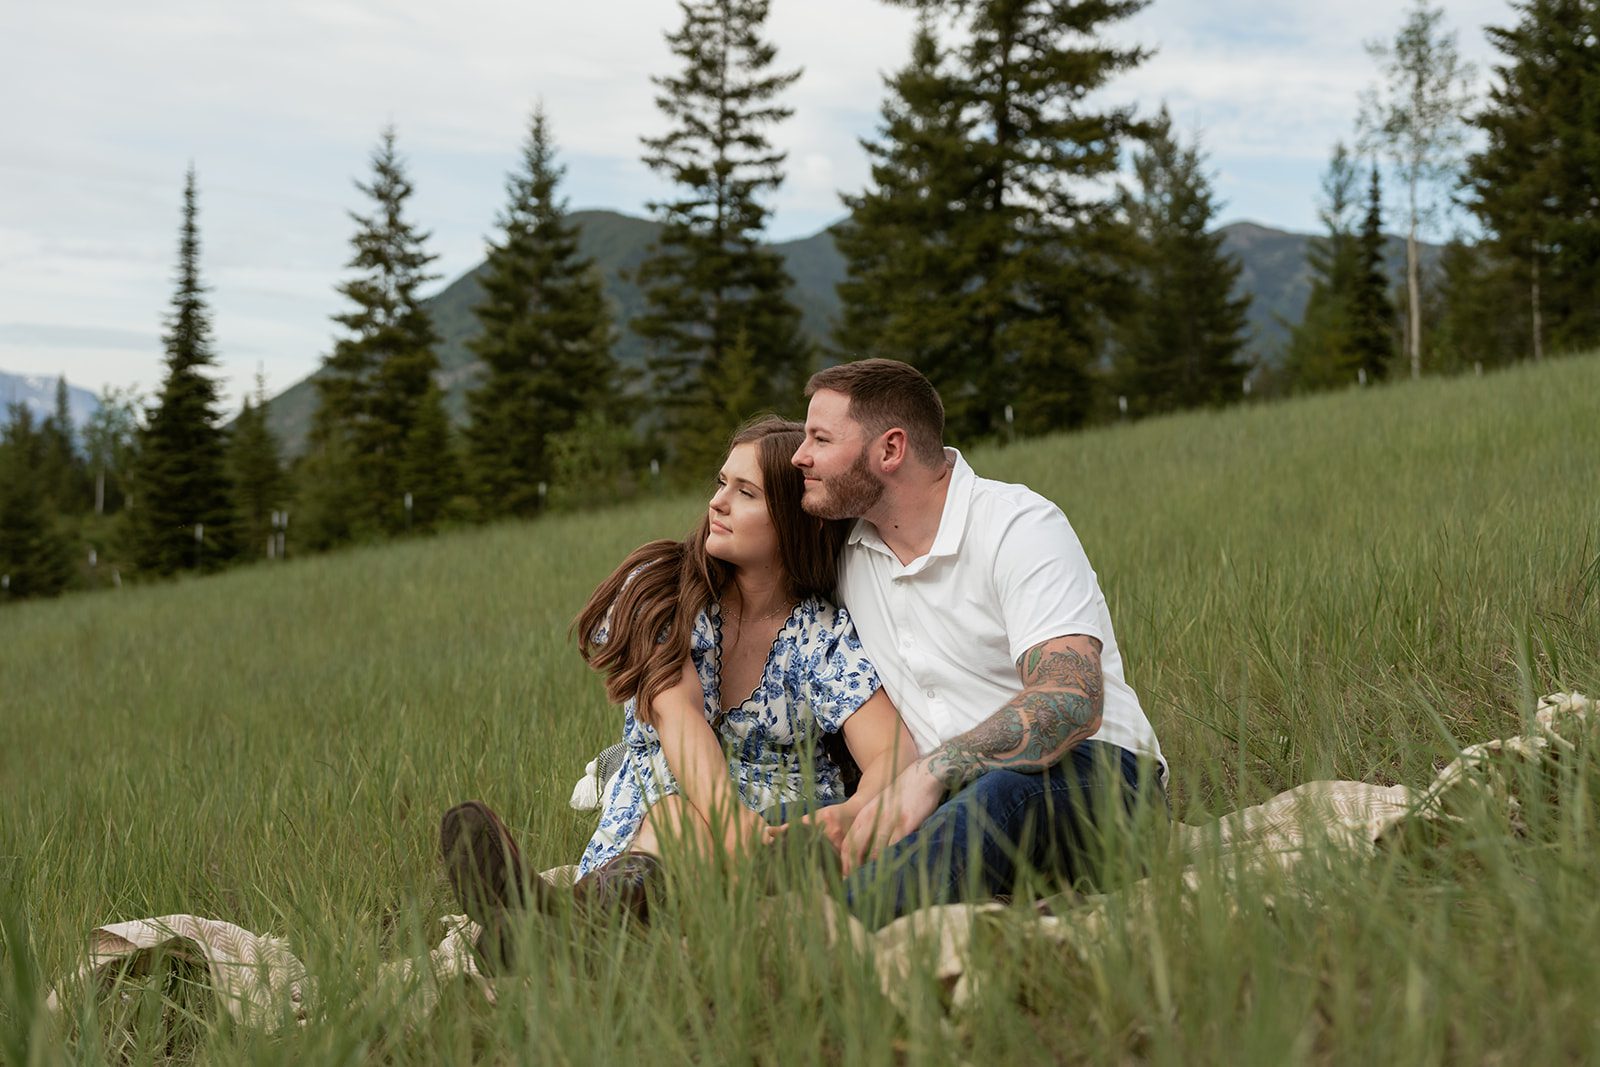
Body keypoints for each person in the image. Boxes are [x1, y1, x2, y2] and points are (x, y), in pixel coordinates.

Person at [441, 417, 916, 965]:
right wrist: (728, 820)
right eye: (721, 483)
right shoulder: (664, 590)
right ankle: (572, 921)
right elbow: (678, 714)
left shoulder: (821, 633)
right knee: (677, 819)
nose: (718, 503)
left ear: (795, 521)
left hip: (780, 827)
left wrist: (850, 818)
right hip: (669, 813)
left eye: (746, 493)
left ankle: (559, 925)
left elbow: (893, 752)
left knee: (697, 829)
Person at [787, 358, 1168, 927]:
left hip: (1100, 782)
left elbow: (1069, 700)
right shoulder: (849, 555)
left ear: (890, 450)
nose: (801, 455)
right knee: (801, 823)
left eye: (820, 438)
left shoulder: (1018, 525)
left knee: (995, 798)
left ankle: (821, 938)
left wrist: (929, 772)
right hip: (952, 800)